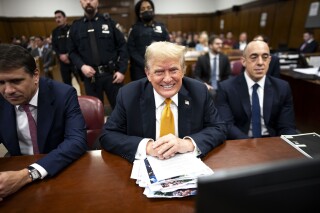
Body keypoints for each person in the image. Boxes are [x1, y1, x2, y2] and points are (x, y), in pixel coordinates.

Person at [99, 41, 226, 163]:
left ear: (183, 70)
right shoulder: (129, 94)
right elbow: (108, 135)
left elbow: (218, 128)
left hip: (189, 169)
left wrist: (187, 143)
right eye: (159, 71)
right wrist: (147, 147)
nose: (167, 79)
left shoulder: (199, 91)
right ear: (148, 74)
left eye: (173, 70)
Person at [0, 44, 87, 200]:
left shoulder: (64, 94)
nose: (8, 91)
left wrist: (28, 174)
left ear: (35, 76)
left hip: (57, 171)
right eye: (1, 83)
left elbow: (76, 141)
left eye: (16, 81)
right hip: (14, 176)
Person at [215, 40, 297, 140]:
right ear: (243, 61)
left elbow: (287, 126)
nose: (260, 63)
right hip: (240, 143)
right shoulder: (226, 88)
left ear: (269, 60)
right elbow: (227, 125)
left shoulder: (282, 87)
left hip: (272, 142)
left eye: (265, 57)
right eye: (254, 57)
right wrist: (251, 146)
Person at [68, 0, 128, 109]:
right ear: (80, 2)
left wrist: (122, 70)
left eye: (91, 0)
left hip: (112, 75)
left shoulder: (109, 22)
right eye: (85, 0)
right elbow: (72, 52)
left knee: (120, 108)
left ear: (97, 2)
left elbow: (123, 46)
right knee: (95, 111)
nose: (88, 2)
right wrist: (82, 66)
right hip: (91, 77)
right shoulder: (76, 27)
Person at [127, 0, 170, 81]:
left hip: (160, 66)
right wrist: (145, 64)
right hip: (140, 69)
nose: (146, 10)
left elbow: (167, 45)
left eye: (149, 8)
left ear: (153, 10)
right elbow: (131, 50)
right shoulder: (134, 29)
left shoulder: (161, 27)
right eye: (143, 8)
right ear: (139, 13)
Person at [194, 35, 231, 100]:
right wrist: (204, 84)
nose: (220, 46)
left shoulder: (224, 58)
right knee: (212, 94)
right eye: (217, 44)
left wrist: (225, 85)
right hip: (207, 84)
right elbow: (196, 76)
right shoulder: (202, 59)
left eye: (221, 44)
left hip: (221, 83)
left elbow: (227, 75)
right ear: (210, 45)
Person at [52, 10, 77, 86]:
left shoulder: (72, 28)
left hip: (74, 60)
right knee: (67, 85)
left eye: (59, 17)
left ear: (65, 18)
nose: (57, 20)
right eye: (56, 18)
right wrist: (60, 55)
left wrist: (68, 55)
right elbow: (54, 46)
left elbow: (76, 43)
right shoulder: (54, 32)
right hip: (63, 62)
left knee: (81, 82)